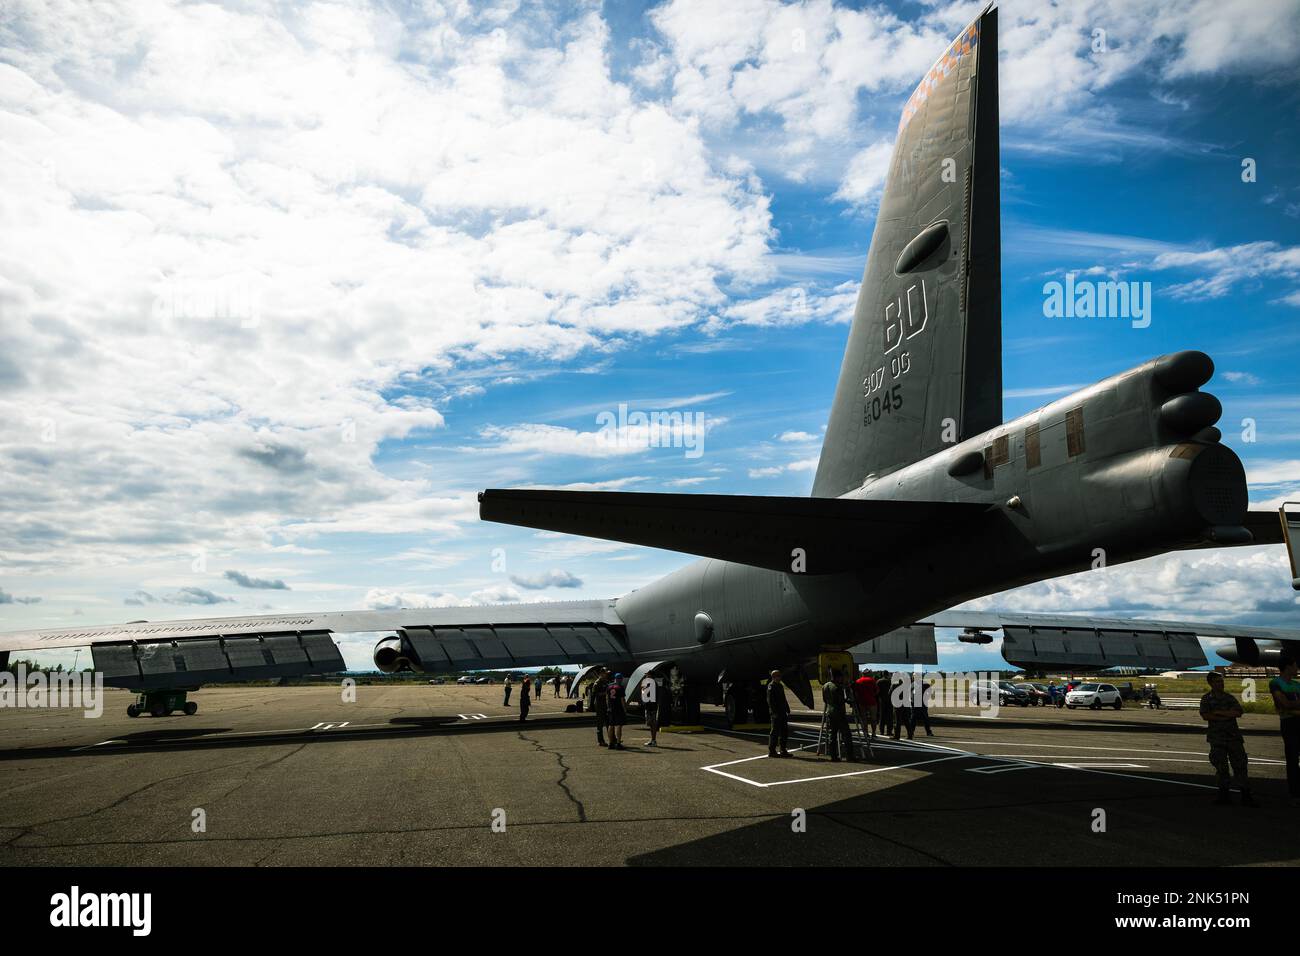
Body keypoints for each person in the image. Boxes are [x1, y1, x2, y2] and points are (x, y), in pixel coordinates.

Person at [1199, 671, 1255, 806]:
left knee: (1240, 765)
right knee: (1221, 767)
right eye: (1218, 682)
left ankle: (1245, 795)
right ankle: (1224, 795)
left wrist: (1219, 713)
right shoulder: (1206, 698)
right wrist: (1226, 715)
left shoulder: (1229, 697)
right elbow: (1206, 715)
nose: (1221, 684)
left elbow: (1238, 712)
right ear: (1211, 683)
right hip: (1217, 738)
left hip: (1233, 737)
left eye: (1221, 681)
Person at [1270, 656, 1300, 805]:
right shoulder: (1276, 683)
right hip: (1290, 724)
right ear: (1288, 667)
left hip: (1294, 721)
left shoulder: (1296, 684)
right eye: (1295, 665)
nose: (1297, 668)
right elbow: (1284, 704)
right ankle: (1295, 793)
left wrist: (1291, 705)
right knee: (1293, 759)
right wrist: (1294, 705)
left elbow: (1287, 704)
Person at [821, 669, 854, 762]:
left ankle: (833, 756)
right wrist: (848, 699)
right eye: (841, 677)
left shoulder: (825, 686)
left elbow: (825, 700)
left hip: (830, 712)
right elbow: (841, 700)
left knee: (832, 735)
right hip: (839, 712)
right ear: (837, 677)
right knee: (846, 735)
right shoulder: (837, 687)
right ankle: (850, 756)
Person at [767, 669, 792, 758]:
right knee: (774, 732)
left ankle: (783, 750)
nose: (779, 678)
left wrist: (787, 709)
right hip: (776, 713)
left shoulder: (780, 686)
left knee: (784, 731)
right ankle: (772, 751)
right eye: (777, 676)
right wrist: (774, 712)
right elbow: (770, 701)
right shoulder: (771, 686)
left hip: (782, 712)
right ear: (773, 677)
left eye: (779, 676)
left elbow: (783, 699)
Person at [853, 671, 878, 740]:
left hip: (862, 702)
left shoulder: (858, 681)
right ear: (868, 673)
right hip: (872, 701)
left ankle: (866, 733)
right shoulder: (872, 680)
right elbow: (877, 691)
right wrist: (872, 695)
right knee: (873, 719)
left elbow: (856, 692)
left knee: (864, 718)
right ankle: (873, 733)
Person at [588, 669, 610, 746]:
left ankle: (612, 739)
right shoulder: (597, 683)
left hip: (606, 705)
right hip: (600, 705)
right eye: (605, 673)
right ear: (601, 673)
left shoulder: (606, 681)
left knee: (609, 723)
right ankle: (600, 741)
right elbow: (594, 695)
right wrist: (605, 693)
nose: (606, 675)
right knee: (600, 724)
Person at [607, 673, 627, 749]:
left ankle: (610, 743)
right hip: (618, 708)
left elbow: (607, 698)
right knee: (619, 725)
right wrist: (625, 709)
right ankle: (618, 743)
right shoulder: (620, 687)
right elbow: (622, 700)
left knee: (611, 725)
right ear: (620, 679)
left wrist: (608, 707)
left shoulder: (608, 687)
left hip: (611, 708)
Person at [892, 674, 914, 740]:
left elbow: (890, 693)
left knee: (897, 720)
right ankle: (910, 735)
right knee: (906, 720)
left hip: (898, 704)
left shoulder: (894, 684)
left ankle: (897, 735)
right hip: (906, 703)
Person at [640, 675, 659, 746]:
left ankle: (653, 740)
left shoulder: (650, 684)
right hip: (653, 706)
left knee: (652, 724)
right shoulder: (654, 683)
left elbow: (644, 693)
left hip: (650, 707)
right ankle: (653, 739)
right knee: (652, 724)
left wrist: (642, 688)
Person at [876, 671, 894, 736]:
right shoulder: (891, 681)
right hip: (890, 701)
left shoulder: (878, 681)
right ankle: (889, 731)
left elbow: (876, 692)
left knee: (882, 716)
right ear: (887, 674)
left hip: (881, 701)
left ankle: (881, 731)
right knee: (890, 717)